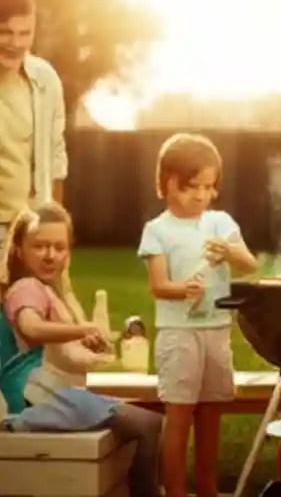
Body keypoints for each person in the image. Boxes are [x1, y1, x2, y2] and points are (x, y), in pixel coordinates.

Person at [0, 202, 162, 497]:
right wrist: (83, 329)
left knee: (144, 422)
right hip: (37, 401)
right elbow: (31, 328)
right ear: (20, 250)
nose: (51, 255)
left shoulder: (43, 288)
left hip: (46, 394)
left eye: (59, 247)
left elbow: (56, 347)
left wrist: (89, 345)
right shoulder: (26, 287)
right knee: (148, 424)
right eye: (40, 246)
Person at [138, 133, 258, 497]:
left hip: (216, 330)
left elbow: (250, 264)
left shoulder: (220, 222)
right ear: (167, 183)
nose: (202, 196)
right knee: (179, 416)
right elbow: (158, 285)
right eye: (193, 187)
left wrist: (231, 253)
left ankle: (207, 488)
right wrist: (183, 289)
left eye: (209, 187)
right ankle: (174, 491)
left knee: (211, 415)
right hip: (179, 334)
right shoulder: (158, 230)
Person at [0, 0, 68, 232]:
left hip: (31, 228)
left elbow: (57, 161)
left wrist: (55, 228)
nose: (15, 43)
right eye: (5, 32)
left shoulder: (45, 80)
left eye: (25, 33)